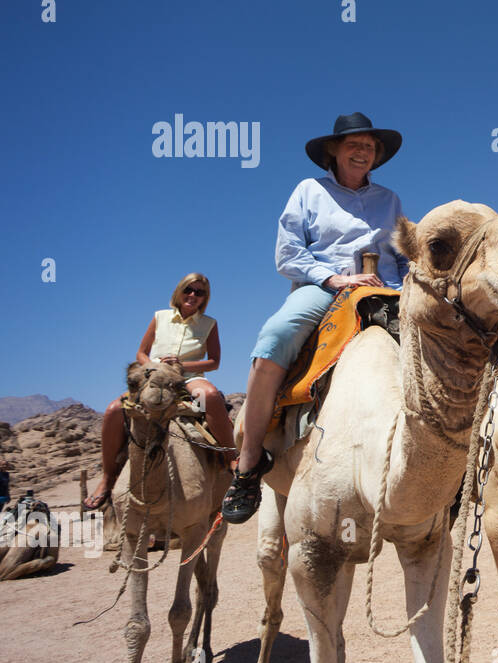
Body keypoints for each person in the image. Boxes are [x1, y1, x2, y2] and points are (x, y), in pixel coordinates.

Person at [221, 112, 408, 524]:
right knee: (274, 338)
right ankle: (249, 462)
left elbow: (403, 255)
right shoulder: (309, 191)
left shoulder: (390, 200)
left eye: (369, 147)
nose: (363, 152)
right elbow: (288, 253)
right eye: (354, 145)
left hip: (385, 289)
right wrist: (335, 277)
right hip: (325, 287)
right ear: (334, 151)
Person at [83, 273, 235, 510]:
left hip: (187, 378)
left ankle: (231, 458)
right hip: (154, 377)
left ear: (205, 298)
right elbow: (141, 353)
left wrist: (181, 366)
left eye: (199, 292)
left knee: (210, 396)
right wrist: (154, 366)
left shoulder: (209, 324)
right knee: (114, 409)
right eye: (189, 290)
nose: (193, 295)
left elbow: (214, 361)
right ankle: (108, 478)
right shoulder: (159, 317)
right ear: (180, 291)